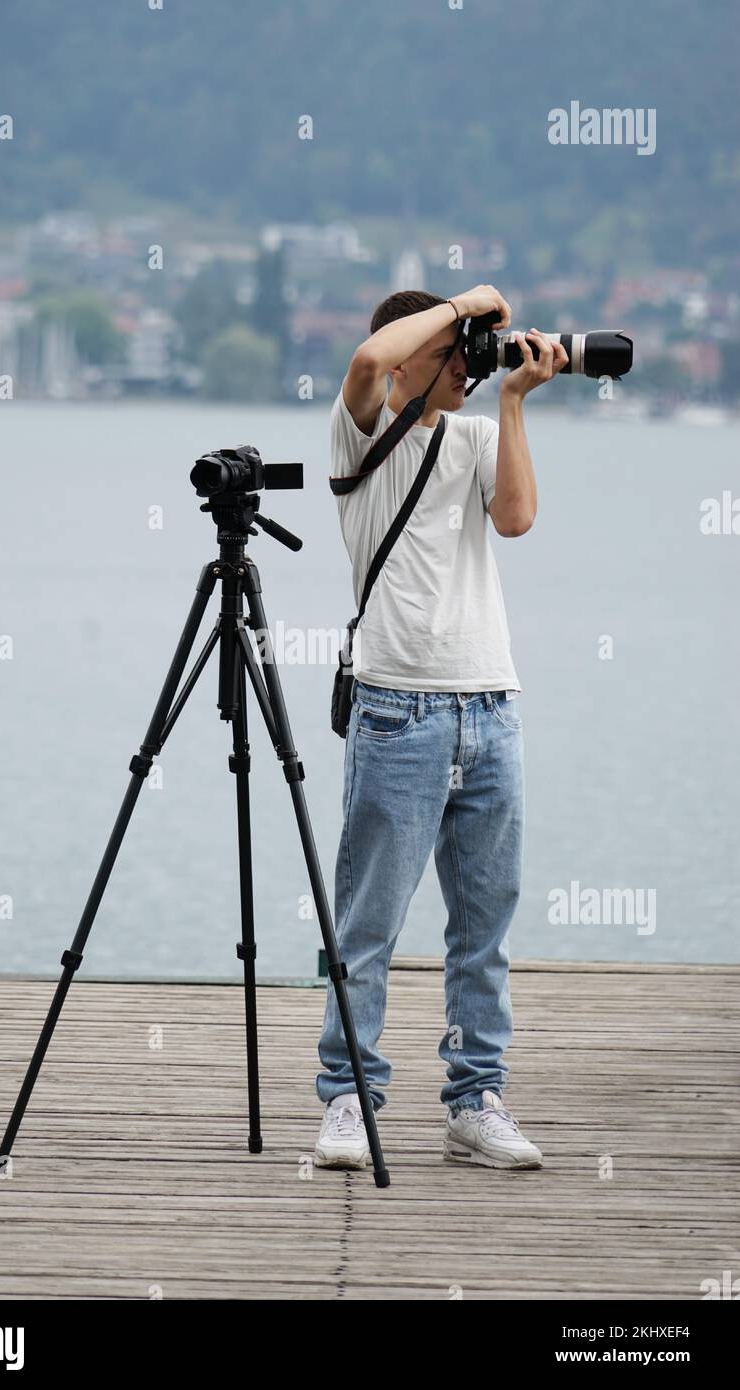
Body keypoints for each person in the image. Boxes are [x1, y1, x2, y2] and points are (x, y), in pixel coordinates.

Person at [314, 285, 568, 1171]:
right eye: (458, 347)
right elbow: (367, 363)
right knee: (369, 925)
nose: (467, 358)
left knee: (483, 928)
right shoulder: (363, 432)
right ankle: (348, 1097)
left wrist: (510, 399)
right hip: (398, 709)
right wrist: (466, 303)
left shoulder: (473, 434)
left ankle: (474, 1099)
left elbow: (516, 519)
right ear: (414, 347)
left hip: (490, 705)